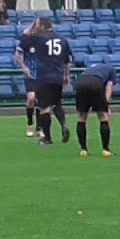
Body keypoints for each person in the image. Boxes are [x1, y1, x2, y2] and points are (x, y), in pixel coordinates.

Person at [15, 17, 73, 145]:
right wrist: (66, 76)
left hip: (44, 76)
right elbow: (67, 61)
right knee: (57, 103)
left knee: (44, 108)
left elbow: (24, 37)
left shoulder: (38, 38)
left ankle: (47, 138)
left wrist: (32, 25)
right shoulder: (62, 39)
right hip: (58, 76)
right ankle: (63, 124)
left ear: (41, 26)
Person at [74, 63, 117, 158]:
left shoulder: (89, 69)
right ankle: (106, 149)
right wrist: (105, 104)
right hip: (95, 83)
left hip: (80, 83)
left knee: (82, 117)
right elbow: (109, 86)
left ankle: (83, 149)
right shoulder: (112, 69)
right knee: (103, 116)